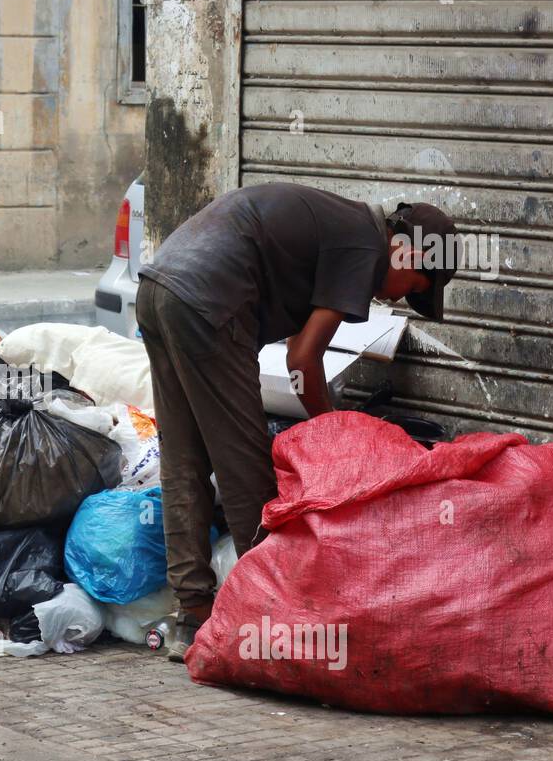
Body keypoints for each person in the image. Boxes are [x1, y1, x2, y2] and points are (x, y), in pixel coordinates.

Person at [136, 182, 456, 660]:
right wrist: (331, 431)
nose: (393, 299)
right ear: (406, 254)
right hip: (209, 303)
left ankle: (193, 617)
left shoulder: (345, 225)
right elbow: (304, 357)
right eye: (410, 289)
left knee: (184, 460)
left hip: (160, 288)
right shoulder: (365, 245)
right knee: (245, 471)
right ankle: (272, 614)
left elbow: (293, 351)